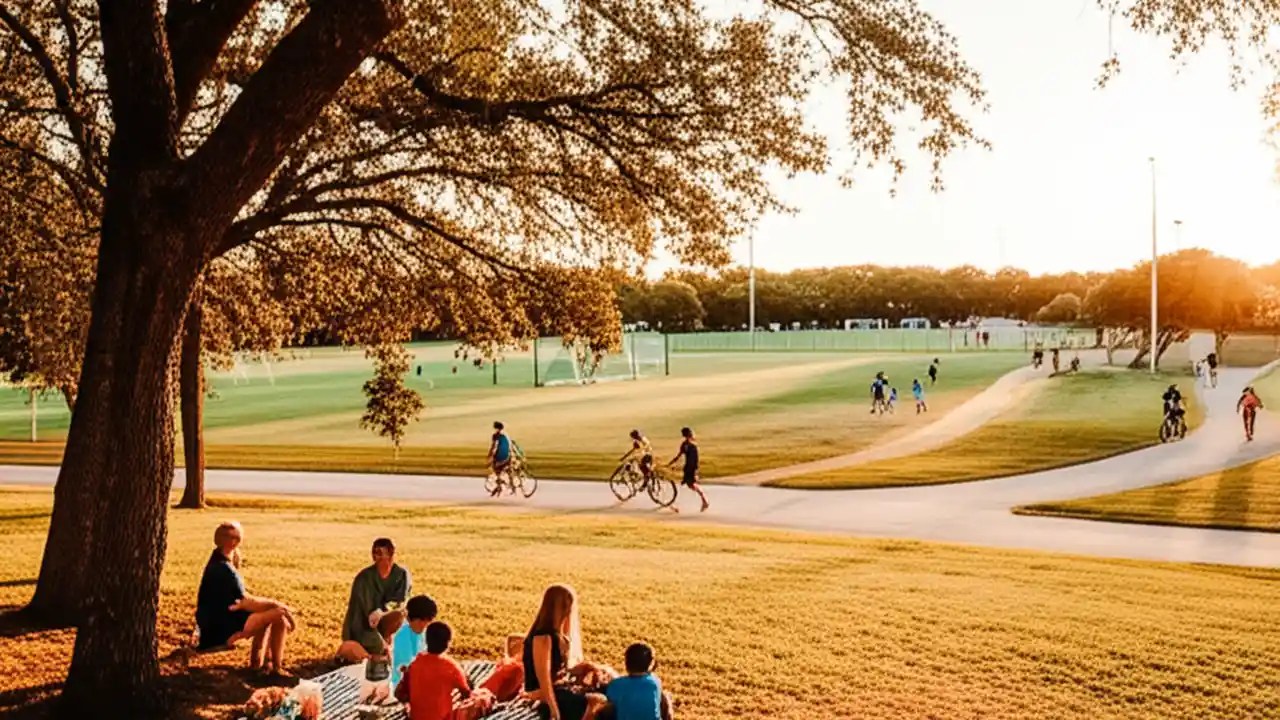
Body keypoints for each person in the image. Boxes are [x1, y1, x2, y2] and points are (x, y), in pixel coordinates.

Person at [195, 521, 296, 676]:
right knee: (279, 614)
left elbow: (243, 602)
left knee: (274, 616)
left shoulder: (223, 559)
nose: (235, 541)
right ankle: (274, 667)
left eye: (238, 537)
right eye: (230, 537)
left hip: (229, 613)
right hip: (221, 624)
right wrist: (282, 608)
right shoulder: (222, 567)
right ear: (221, 539)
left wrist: (270, 606)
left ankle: (261, 664)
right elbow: (246, 601)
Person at [524, 584, 608, 720]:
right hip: (543, 691)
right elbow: (543, 678)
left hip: (559, 688)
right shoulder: (543, 638)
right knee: (594, 701)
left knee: (603, 692)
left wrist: (586, 668)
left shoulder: (560, 637)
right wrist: (553, 709)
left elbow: (560, 670)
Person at [338, 537, 413, 663]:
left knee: (399, 614)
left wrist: (382, 611)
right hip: (363, 625)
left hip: (383, 618)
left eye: (379, 553)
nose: (375, 557)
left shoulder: (401, 574)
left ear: (391, 554)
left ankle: (385, 641)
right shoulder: (364, 578)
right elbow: (363, 613)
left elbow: (400, 601)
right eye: (374, 553)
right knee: (375, 650)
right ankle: (373, 652)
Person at [397, 621, 475, 720]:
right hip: (443, 718)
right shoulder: (451, 666)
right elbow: (466, 693)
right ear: (448, 643)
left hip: (415, 717)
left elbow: (400, 693)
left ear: (426, 640)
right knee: (481, 699)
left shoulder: (415, 663)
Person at [600, 642, 674, 720]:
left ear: (626, 663)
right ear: (650, 665)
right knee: (665, 697)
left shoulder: (616, 684)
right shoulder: (655, 682)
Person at [391, 595, 439, 690]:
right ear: (410, 618)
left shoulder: (419, 631)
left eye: (428, 621)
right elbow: (404, 666)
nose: (424, 625)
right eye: (421, 620)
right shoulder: (402, 633)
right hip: (399, 683)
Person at [668, 427, 709, 513]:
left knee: (691, 485)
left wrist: (672, 464)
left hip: (690, 468)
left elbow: (680, 456)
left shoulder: (688, 445)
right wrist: (672, 464)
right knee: (690, 485)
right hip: (689, 468)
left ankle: (704, 501)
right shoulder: (690, 446)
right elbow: (681, 456)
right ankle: (704, 501)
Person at [488, 421, 514, 497]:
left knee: (495, 468)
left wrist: (490, 455)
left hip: (501, 457)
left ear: (496, 428)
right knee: (508, 469)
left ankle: (499, 486)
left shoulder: (496, 435)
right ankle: (512, 484)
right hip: (508, 456)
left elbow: (493, 447)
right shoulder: (506, 435)